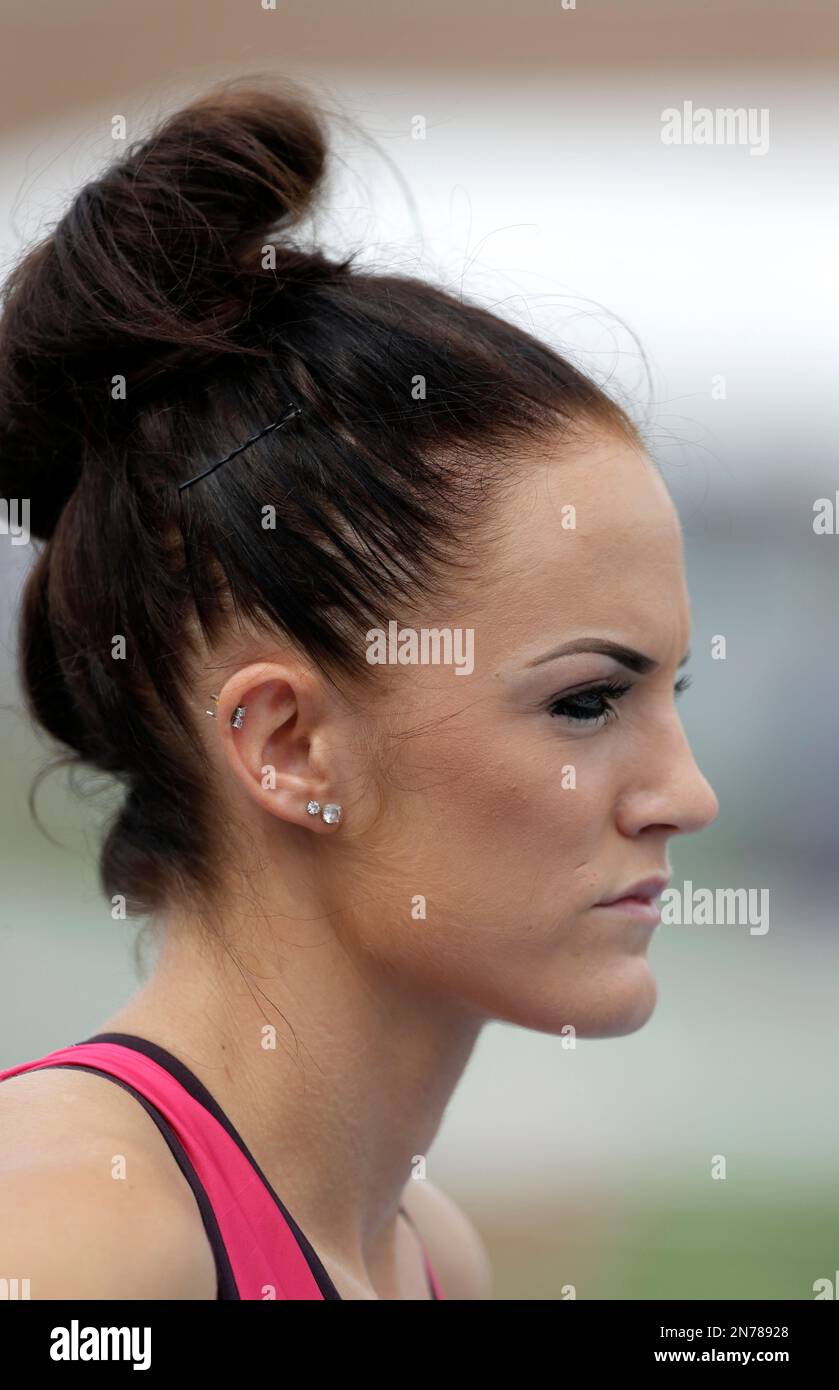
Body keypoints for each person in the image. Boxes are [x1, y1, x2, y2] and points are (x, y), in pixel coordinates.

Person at [0, 78, 719, 1300]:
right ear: (286, 744)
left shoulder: (430, 1255)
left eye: (674, 694)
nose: (683, 796)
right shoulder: (76, 1233)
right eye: (587, 702)